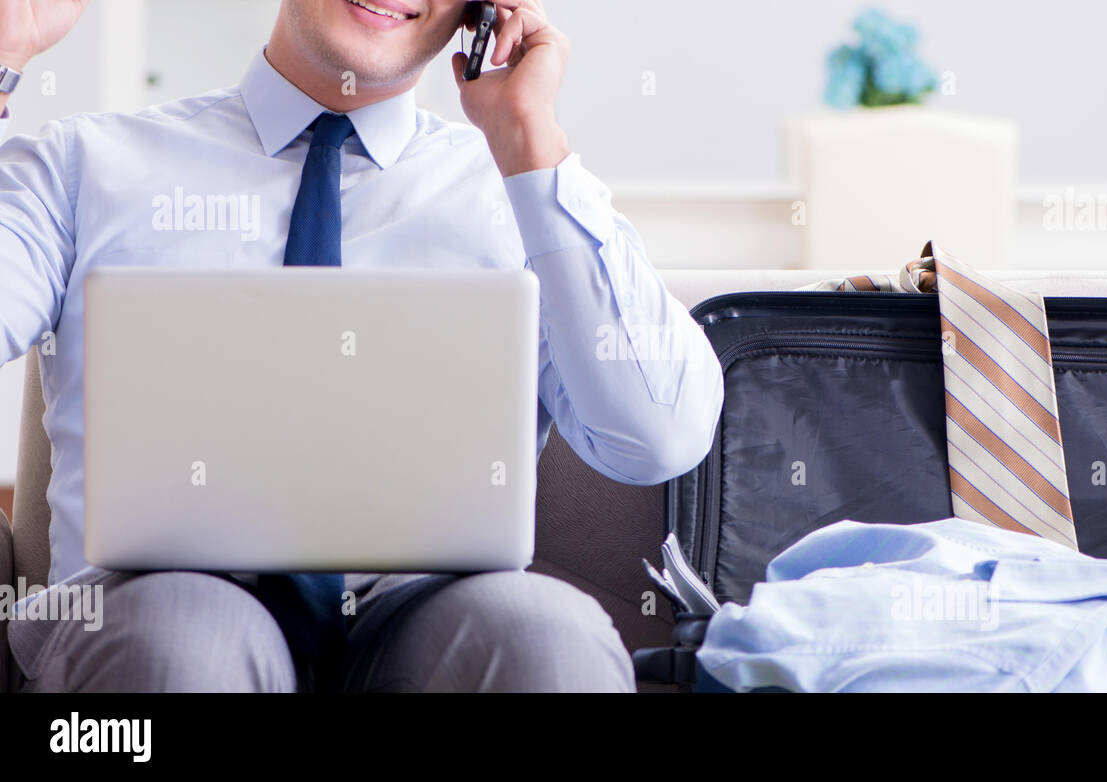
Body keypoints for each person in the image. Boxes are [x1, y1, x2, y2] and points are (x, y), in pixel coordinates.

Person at [0, 0, 724, 692]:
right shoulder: (84, 165)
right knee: (192, 639)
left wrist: (528, 136)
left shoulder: (520, 195)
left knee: (547, 637)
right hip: (148, 613)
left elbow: (659, 436)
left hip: (424, 617)